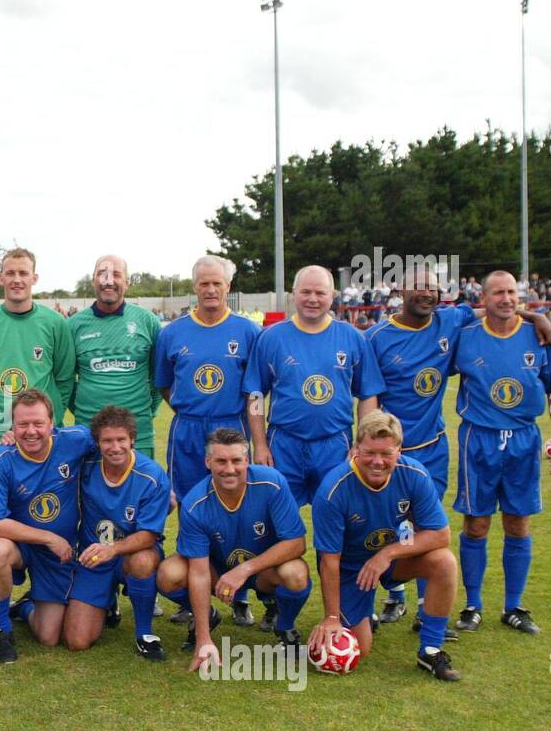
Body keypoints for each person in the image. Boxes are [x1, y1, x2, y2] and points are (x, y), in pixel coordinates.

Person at [364, 264, 551, 626]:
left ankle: (425, 606)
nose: (426, 294)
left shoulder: (449, 320)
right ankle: (393, 595)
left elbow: (497, 307)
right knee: (385, 521)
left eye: (433, 289)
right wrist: (371, 444)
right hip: (389, 451)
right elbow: (370, 395)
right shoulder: (377, 336)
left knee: (425, 525)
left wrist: (535, 316)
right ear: (400, 293)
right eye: (418, 287)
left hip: (432, 446)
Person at [452, 271, 551, 636]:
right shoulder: (465, 336)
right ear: (482, 298)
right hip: (478, 438)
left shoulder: (539, 336)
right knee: (477, 523)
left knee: (518, 520)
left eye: (512, 292)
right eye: (498, 292)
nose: (506, 298)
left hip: (523, 438)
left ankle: (513, 606)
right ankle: (473, 606)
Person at [310, 411, 461, 681]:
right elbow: (329, 560)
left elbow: (440, 535)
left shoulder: (414, 474)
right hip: (350, 567)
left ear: (399, 451)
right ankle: (362, 614)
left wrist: (387, 554)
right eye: (369, 453)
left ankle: (430, 649)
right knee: (361, 648)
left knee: (444, 561)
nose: (377, 462)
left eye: (386, 454)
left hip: (392, 559)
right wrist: (331, 616)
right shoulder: (333, 490)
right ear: (355, 449)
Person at [154, 255, 262, 626]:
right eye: (204, 283)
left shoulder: (248, 332)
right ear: (194, 287)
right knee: (188, 504)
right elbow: (165, 385)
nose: (211, 290)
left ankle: (242, 595)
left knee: (240, 507)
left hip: (232, 429)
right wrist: (193, 411)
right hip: (188, 430)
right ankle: (191, 596)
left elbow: (256, 391)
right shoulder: (172, 333)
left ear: (228, 287)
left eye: (218, 283)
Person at [158, 428, 310, 664]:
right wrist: (203, 638)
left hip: (263, 570)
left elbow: (297, 543)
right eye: (220, 461)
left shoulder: (272, 482)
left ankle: (286, 628)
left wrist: (245, 569)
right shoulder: (194, 504)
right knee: (169, 573)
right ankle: (205, 617)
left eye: (236, 460)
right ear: (208, 462)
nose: (229, 469)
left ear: (247, 460)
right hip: (218, 573)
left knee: (297, 573)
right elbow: (198, 572)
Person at [245, 265, 384, 509]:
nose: (312, 299)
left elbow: (368, 394)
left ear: (333, 296)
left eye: (320, 293)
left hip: (335, 444)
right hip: (283, 444)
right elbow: (255, 395)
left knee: (337, 517)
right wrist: (260, 445)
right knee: (276, 519)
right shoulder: (271, 337)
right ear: (294, 294)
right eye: (306, 292)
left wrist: (362, 442)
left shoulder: (353, 338)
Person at [0, 388, 93, 661]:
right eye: (22, 424)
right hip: (24, 546)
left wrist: (160, 486)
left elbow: (117, 444)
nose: (31, 431)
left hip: (58, 553)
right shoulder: (0, 459)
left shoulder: (75, 441)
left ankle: (26, 606)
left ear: (52, 423)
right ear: (12, 426)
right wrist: (47, 537)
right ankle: (1, 629)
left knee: (49, 636)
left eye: (38, 423)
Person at [61, 406, 170, 658]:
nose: (115, 447)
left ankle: (145, 633)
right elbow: (51, 438)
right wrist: (12, 434)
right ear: (97, 443)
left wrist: (112, 550)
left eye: (121, 440)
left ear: (132, 439)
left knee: (142, 561)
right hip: (93, 556)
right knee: (76, 641)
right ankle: (107, 602)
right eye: (107, 441)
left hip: (129, 553)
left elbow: (149, 536)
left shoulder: (152, 475)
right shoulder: (87, 464)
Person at [0, 249, 75, 474]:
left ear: (34, 278)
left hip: (42, 438)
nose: (17, 279)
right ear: (1, 278)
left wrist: (45, 423)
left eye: (23, 273)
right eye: (11, 273)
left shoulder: (55, 323)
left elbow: (64, 380)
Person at [68, 255, 163, 459]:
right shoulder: (73, 325)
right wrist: (84, 411)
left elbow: (159, 378)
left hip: (138, 433)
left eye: (116, 275)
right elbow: (66, 381)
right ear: (93, 280)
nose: (109, 281)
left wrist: (145, 412)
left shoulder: (148, 321)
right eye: (102, 274)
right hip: (88, 434)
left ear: (127, 283)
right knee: (88, 491)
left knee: (140, 490)